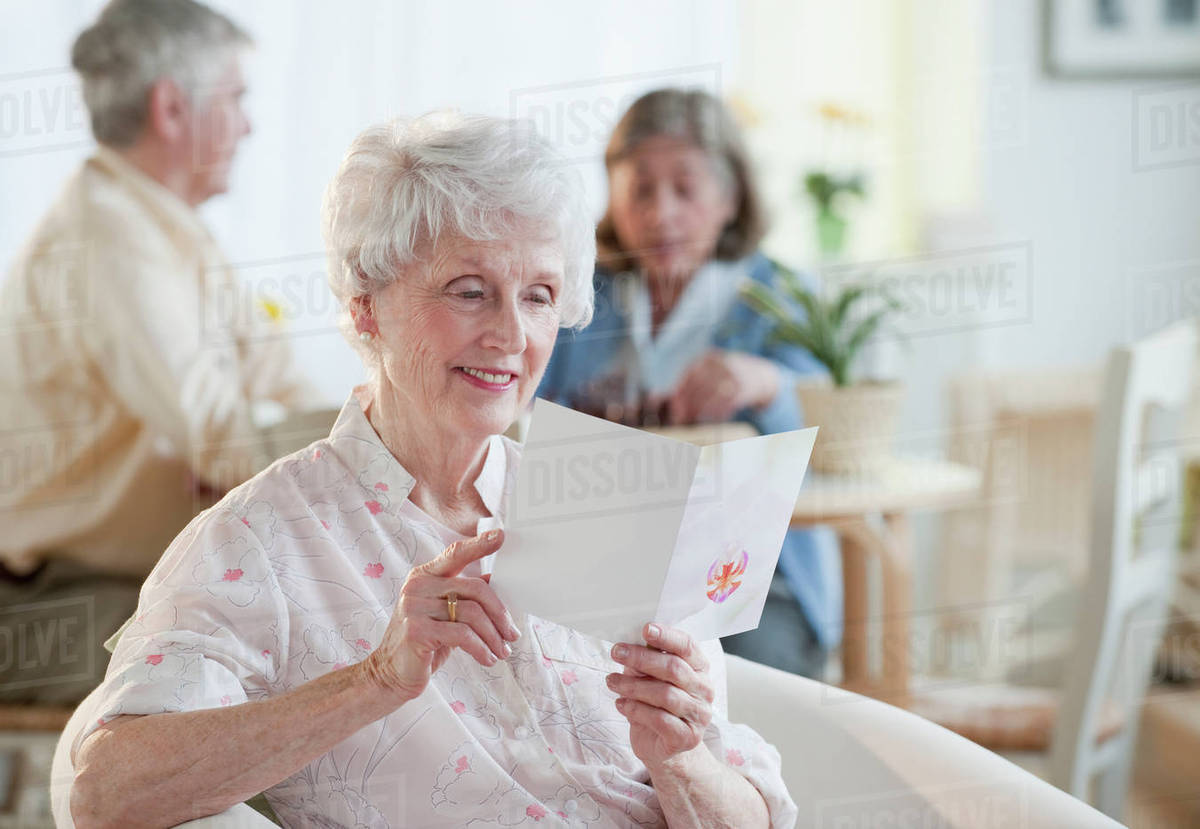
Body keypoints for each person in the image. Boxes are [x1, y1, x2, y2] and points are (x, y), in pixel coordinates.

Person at [63, 113, 797, 828]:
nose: (511, 335)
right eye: (469, 290)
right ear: (367, 304)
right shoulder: (262, 539)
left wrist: (680, 757)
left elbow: (752, 811)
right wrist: (375, 680)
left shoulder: (612, 500)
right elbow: (106, 790)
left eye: (538, 295)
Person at [0, 0, 317, 705]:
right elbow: (223, 435)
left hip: (133, 578)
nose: (249, 123)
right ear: (172, 109)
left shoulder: (168, 227)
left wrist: (385, 455)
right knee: (284, 670)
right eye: (236, 99)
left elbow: (279, 391)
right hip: (56, 601)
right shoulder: (105, 239)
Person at [539, 88, 841, 679]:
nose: (661, 213)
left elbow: (839, 432)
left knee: (731, 699)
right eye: (640, 189)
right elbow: (525, 418)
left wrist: (765, 383)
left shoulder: (778, 295)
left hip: (753, 590)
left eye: (685, 187)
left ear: (730, 197)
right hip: (604, 573)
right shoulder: (581, 296)